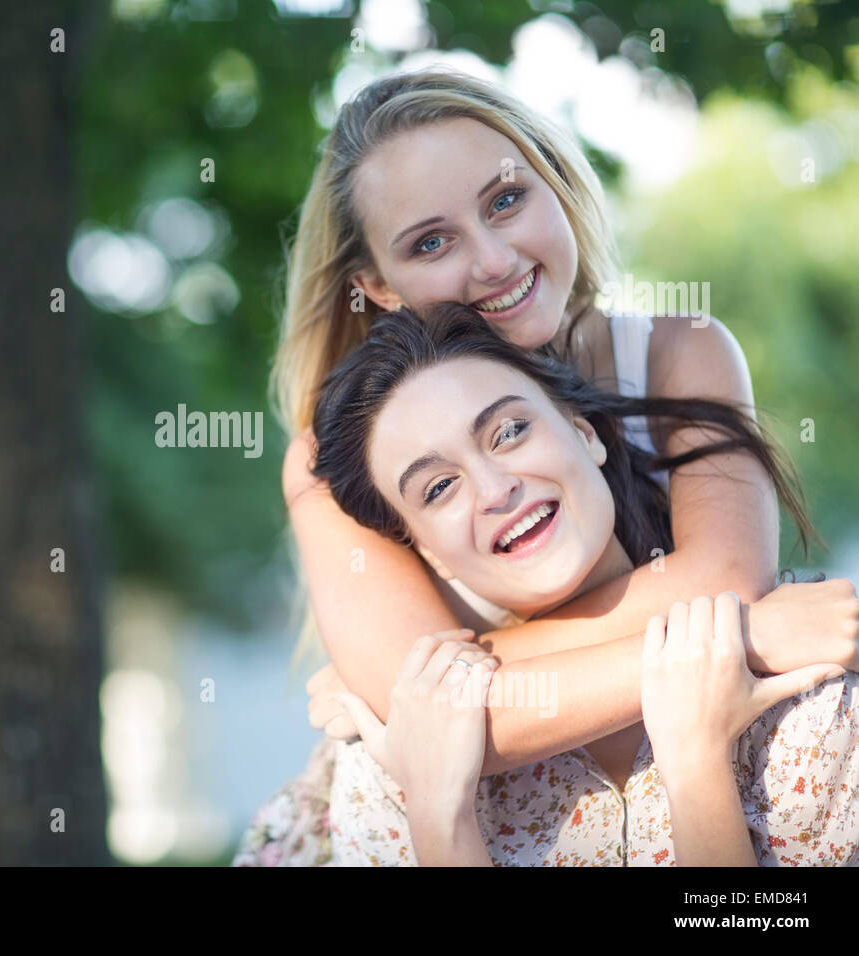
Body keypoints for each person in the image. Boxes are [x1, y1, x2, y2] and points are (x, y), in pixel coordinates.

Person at [233, 67, 859, 865]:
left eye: (505, 201)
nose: (494, 260)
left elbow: (725, 576)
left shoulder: (675, 352)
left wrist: (455, 671)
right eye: (432, 242)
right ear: (377, 288)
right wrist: (749, 639)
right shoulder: (341, 456)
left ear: (555, 184)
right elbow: (434, 721)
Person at [311, 305, 857, 866]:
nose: (497, 489)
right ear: (428, 553)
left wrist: (696, 759)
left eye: (510, 431)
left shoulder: (810, 684)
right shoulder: (395, 767)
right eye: (440, 487)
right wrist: (438, 817)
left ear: (585, 433)